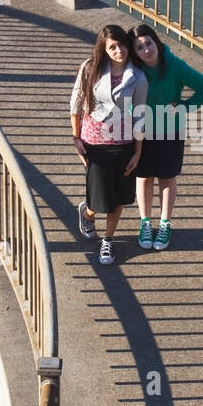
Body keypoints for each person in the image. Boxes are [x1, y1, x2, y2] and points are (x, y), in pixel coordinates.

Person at [128, 23, 203, 250]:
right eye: (139, 47)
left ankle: (165, 223)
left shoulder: (174, 65)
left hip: (170, 132)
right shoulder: (134, 70)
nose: (146, 50)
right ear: (134, 52)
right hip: (142, 133)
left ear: (156, 41)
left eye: (148, 43)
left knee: (167, 177)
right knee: (144, 177)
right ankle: (145, 222)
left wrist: (185, 108)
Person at [70, 25, 149, 265]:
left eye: (122, 45)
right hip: (94, 141)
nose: (119, 51)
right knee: (99, 198)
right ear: (104, 50)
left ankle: (108, 240)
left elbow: (140, 117)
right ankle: (87, 212)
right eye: (112, 47)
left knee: (118, 198)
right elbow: (76, 102)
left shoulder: (138, 77)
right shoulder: (90, 68)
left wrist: (137, 153)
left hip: (124, 142)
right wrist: (76, 138)